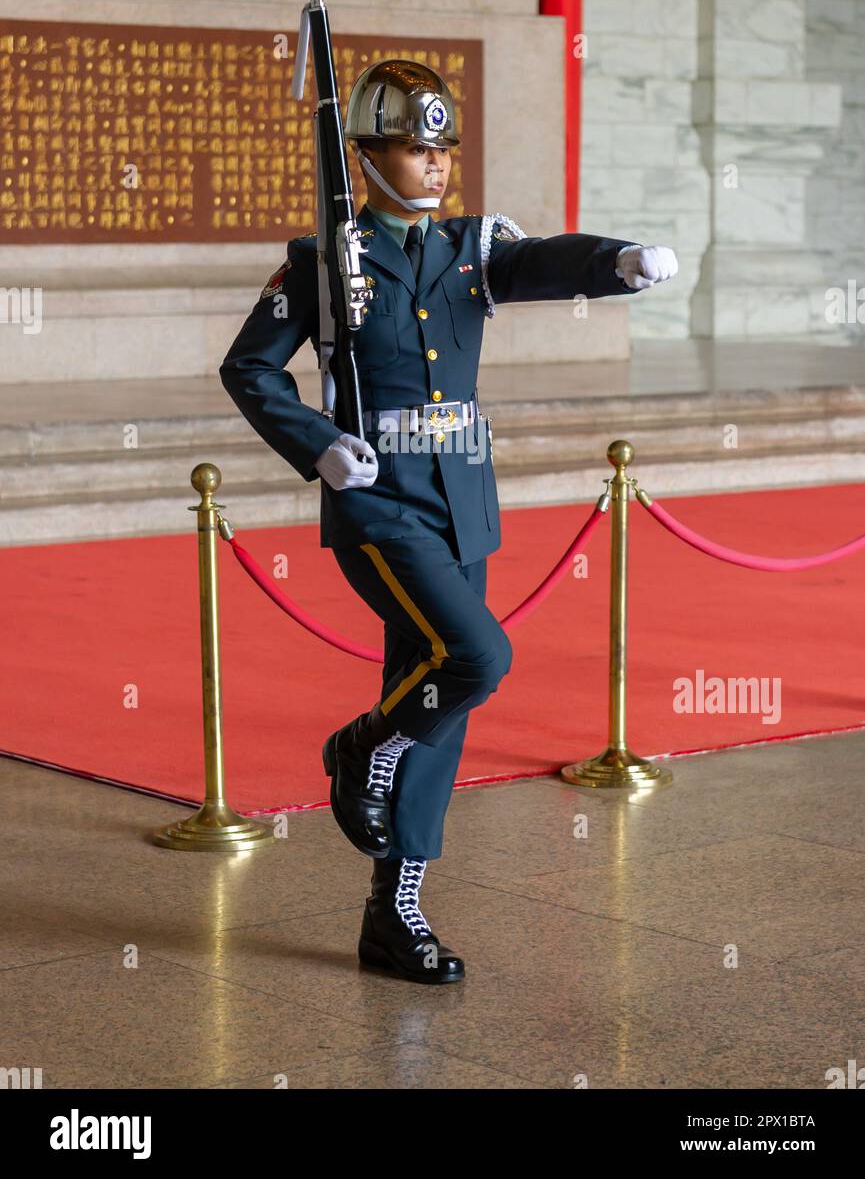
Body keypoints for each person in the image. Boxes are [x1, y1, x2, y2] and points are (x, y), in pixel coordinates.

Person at [220, 58, 678, 984]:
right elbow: (249, 369)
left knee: (438, 705)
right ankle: (358, 748)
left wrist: (616, 262)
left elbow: (536, 261)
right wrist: (315, 443)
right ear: (367, 155)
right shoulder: (323, 261)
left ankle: (396, 912)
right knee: (476, 659)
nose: (435, 166)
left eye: (442, 149)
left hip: (461, 501)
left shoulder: (469, 247)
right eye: (415, 148)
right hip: (380, 505)